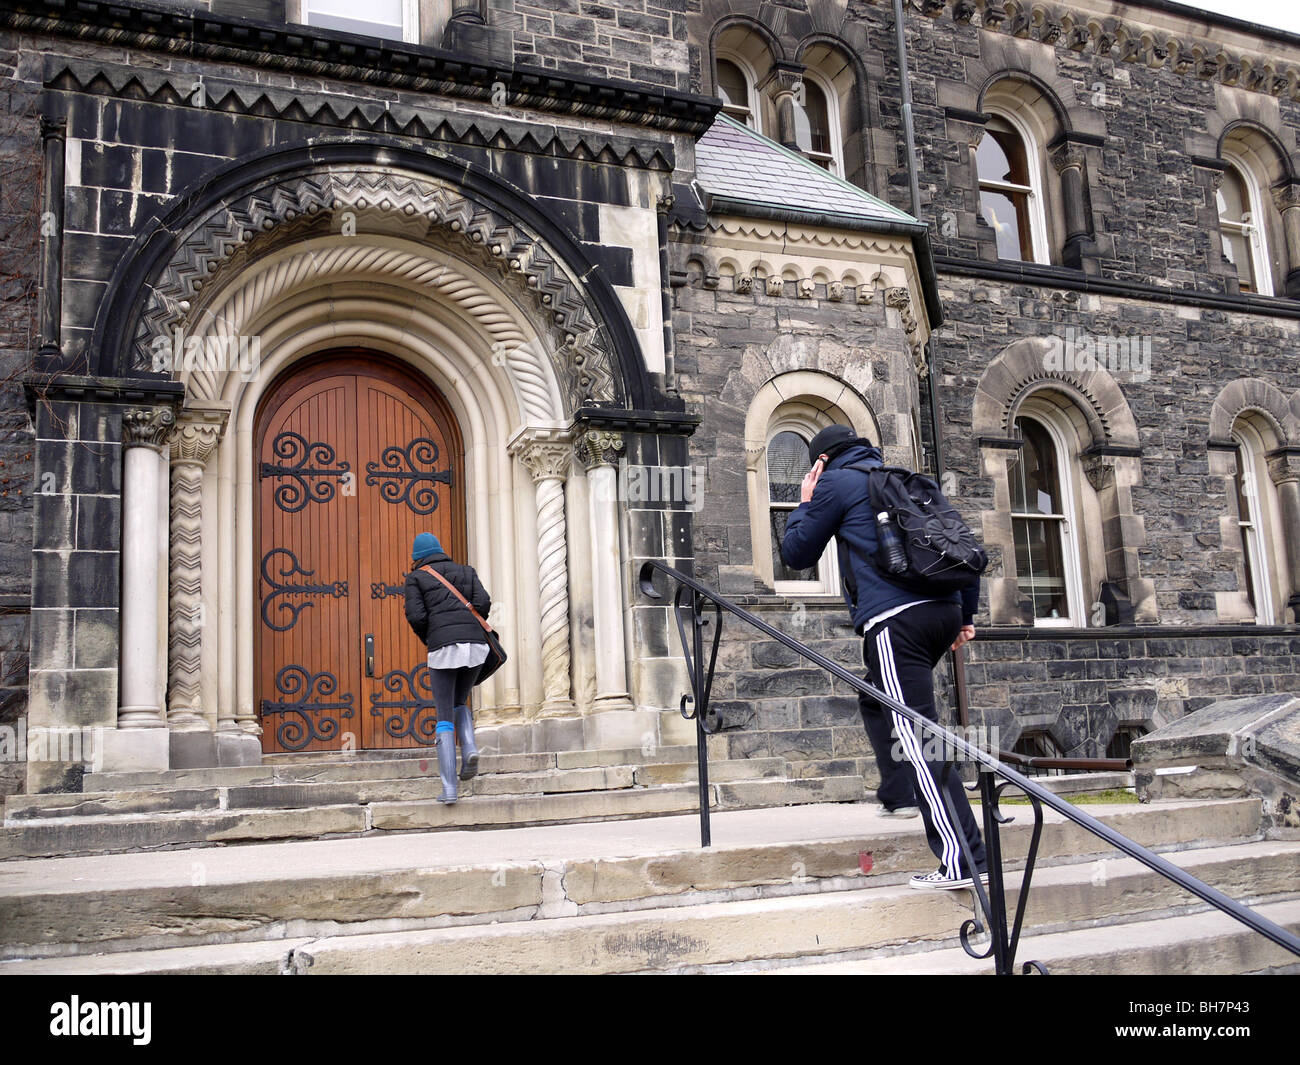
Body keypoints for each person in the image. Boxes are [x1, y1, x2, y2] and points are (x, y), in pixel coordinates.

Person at [780, 425, 988, 890]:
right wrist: (966, 616)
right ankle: (899, 792)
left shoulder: (835, 482)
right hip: (943, 614)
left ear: (821, 461)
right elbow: (964, 545)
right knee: (877, 698)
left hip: (896, 622)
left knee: (918, 738)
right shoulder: (911, 481)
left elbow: (796, 554)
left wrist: (806, 500)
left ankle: (965, 859)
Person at [404, 532, 492, 804]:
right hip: (476, 646)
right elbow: (484, 603)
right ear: (440, 550)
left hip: (443, 647)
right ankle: (469, 749)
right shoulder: (466, 570)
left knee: (443, 714)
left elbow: (416, 616)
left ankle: (450, 789)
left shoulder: (416, 578)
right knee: (459, 701)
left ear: (417, 557)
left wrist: (433, 637)